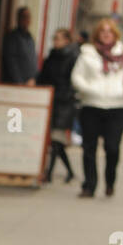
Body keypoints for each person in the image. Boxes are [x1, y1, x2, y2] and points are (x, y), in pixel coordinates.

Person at [70, 17, 123, 197]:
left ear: (115, 34)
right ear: (97, 34)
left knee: (112, 147)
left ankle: (110, 181)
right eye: (103, 32)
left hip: (116, 106)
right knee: (89, 147)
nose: (106, 35)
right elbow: (76, 77)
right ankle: (89, 185)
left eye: (109, 32)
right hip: (91, 105)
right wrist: (88, 89)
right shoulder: (88, 53)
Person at [37, 27, 80, 183]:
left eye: (58, 38)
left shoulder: (74, 58)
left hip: (64, 103)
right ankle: (69, 171)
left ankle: (49, 173)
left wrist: (68, 95)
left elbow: (74, 81)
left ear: (67, 41)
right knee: (57, 142)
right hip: (50, 100)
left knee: (56, 139)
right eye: (54, 38)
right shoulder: (51, 57)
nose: (55, 41)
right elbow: (42, 77)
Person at [1, 6, 38, 84]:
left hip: (30, 82)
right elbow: (11, 61)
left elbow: (33, 60)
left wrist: (34, 78)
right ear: (18, 19)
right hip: (16, 83)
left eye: (28, 17)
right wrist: (20, 82)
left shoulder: (30, 38)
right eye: (23, 17)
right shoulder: (13, 37)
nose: (26, 19)